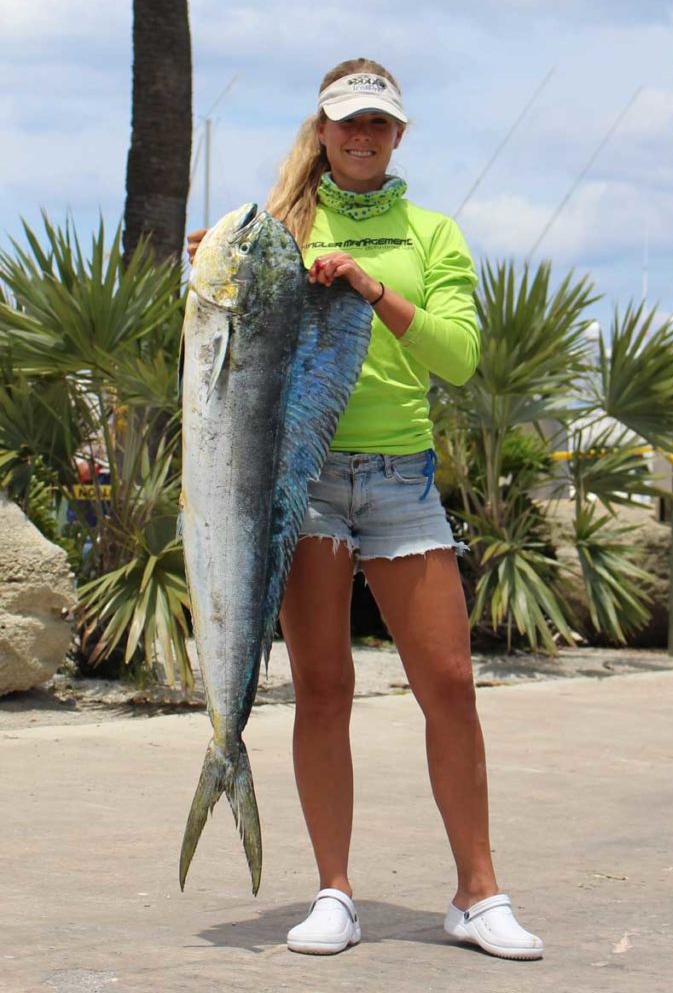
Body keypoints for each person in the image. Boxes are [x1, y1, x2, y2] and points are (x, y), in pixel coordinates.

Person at [187, 58, 543, 961]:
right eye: (348, 122)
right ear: (322, 129)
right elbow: (221, 364)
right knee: (324, 689)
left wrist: (372, 289)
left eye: (378, 124)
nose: (362, 136)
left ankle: (478, 892)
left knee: (451, 686)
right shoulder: (271, 228)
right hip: (297, 487)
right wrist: (206, 271)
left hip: (400, 482)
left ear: (398, 136)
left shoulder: (434, 234)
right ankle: (335, 892)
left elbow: (459, 357)